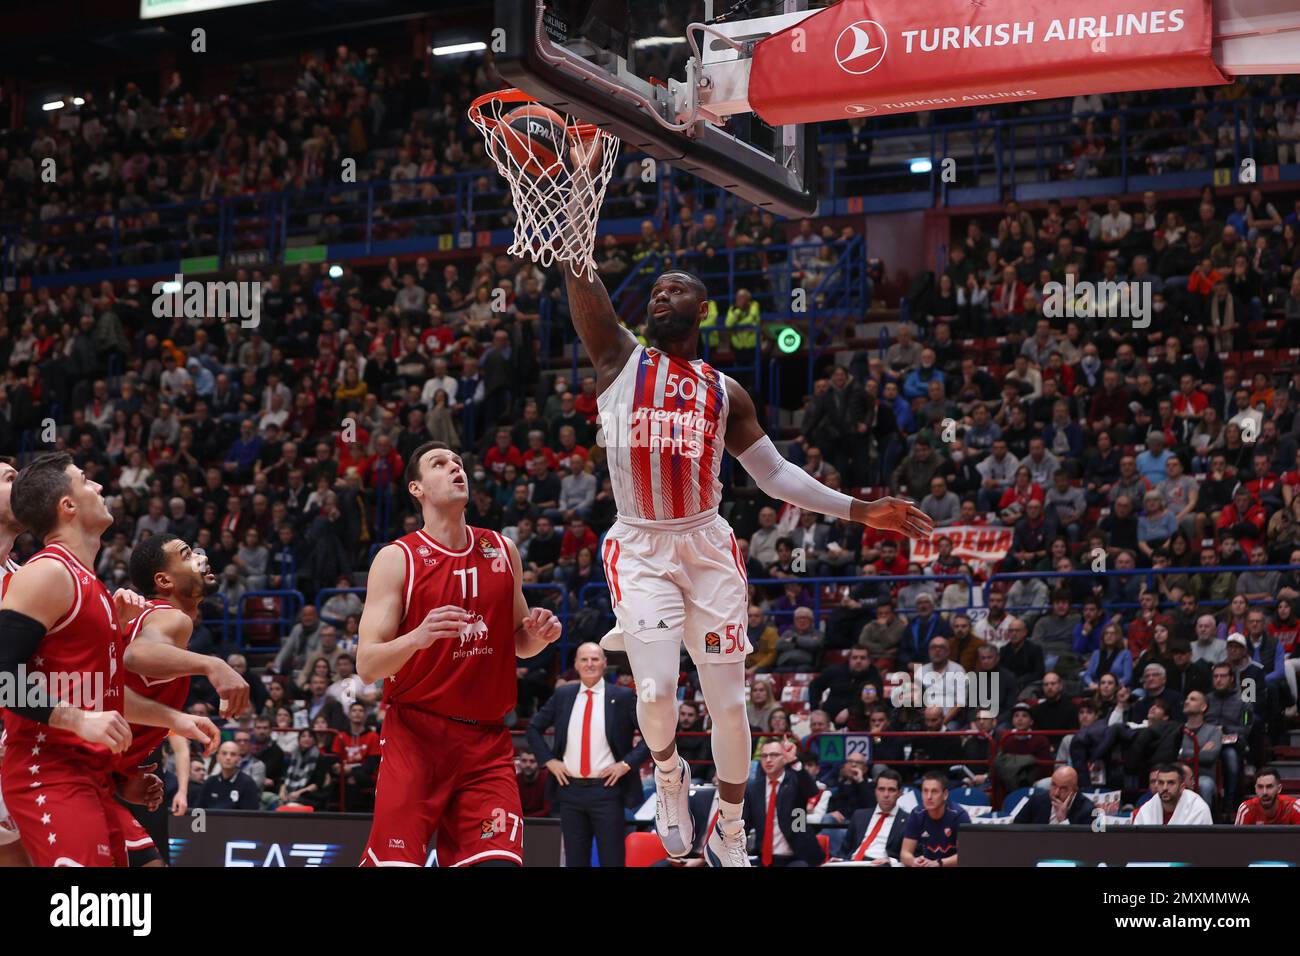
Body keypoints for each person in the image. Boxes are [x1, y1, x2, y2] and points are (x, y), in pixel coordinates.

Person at [564, 252, 931, 866]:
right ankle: (670, 775)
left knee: (730, 707)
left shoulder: (723, 392)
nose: (659, 295)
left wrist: (862, 511)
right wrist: (573, 210)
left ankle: (731, 825)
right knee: (653, 690)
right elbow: (584, 281)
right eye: (653, 289)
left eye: (674, 288)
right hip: (640, 545)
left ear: (703, 310)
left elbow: (775, 474)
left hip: (706, 546)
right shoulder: (619, 359)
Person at [0, 453, 215, 867]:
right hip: (47, 769)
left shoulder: (92, 587)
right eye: (85, 480)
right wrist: (77, 720)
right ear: (67, 505)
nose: (99, 486)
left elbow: (92, 694)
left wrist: (128, 767)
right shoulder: (46, 573)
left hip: (88, 775)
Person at [357, 442, 563, 867]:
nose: (455, 468)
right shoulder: (397, 559)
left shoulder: (502, 550)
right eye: (440, 464)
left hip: (486, 743)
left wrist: (539, 637)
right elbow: (367, 665)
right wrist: (417, 637)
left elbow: (518, 642)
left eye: (459, 462)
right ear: (416, 488)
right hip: (416, 736)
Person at [117, 534, 246, 865]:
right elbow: (136, 656)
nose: (202, 557)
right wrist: (212, 664)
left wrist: (120, 780)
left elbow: (114, 696)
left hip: (99, 773)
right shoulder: (171, 617)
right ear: (164, 580)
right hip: (66, 769)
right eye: (187, 554)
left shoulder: (147, 617)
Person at [525, 642, 649, 867]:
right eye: (584, 659)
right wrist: (549, 761)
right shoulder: (563, 694)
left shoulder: (621, 697)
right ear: (576, 665)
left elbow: (652, 736)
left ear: (605, 663)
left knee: (612, 860)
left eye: (594, 659)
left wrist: (626, 764)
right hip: (569, 791)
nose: (589, 664)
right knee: (575, 860)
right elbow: (533, 728)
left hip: (607, 791)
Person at [743, 738, 825, 867]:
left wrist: (794, 760)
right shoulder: (753, 788)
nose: (768, 760)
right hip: (763, 858)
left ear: (784, 758)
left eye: (774, 755)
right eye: (764, 756)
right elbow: (744, 824)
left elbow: (812, 791)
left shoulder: (795, 782)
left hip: (797, 856)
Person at [833, 769, 906, 865]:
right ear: (875, 791)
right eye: (881, 789)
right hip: (853, 862)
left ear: (900, 793)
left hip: (881, 864)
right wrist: (839, 860)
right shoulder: (859, 815)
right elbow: (845, 850)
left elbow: (913, 856)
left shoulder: (908, 820)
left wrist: (891, 862)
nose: (886, 795)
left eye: (891, 790)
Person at [900, 771, 970, 867]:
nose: (929, 797)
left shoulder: (959, 816)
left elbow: (965, 856)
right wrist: (914, 861)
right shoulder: (917, 814)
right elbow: (905, 853)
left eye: (934, 791)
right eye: (925, 791)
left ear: (945, 794)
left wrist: (939, 863)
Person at [1131, 763, 1214, 825]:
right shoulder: (1147, 808)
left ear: (1182, 787)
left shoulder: (1198, 809)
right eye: (1161, 783)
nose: (1164, 788)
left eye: (1171, 783)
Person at [1012, 766, 1095, 824]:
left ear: (1075, 791)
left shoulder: (1088, 810)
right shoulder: (1037, 799)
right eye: (1054, 785)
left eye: (1063, 788)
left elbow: (1084, 844)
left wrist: (1063, 821)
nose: (1056, 793)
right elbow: (1017, 826)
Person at [196, 741, 262, 811]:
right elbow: (198, 810)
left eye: (233, 754)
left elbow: (251, 816)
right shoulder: (209, 782)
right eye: (224, 753)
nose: (228, 758)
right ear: (218, 758)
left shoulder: (248, 783)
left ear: (239, 759)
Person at [1234, 767, 1300, 824]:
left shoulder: (1294, 807)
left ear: (1279, 789)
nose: (1264, 792)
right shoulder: (1246, 809)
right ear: (1255, 789)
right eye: (1260, 787)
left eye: (1269, 786)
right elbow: (1238, 838)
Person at [515, 750, 551, 817]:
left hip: (543, 823)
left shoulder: (547, 779)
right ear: (519, 762)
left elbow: (547, 810)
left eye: (532, 761)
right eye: (524, 761)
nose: (528, 765)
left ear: (539, 763)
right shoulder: (516, 780)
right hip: (521, 822)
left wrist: (526, 819)